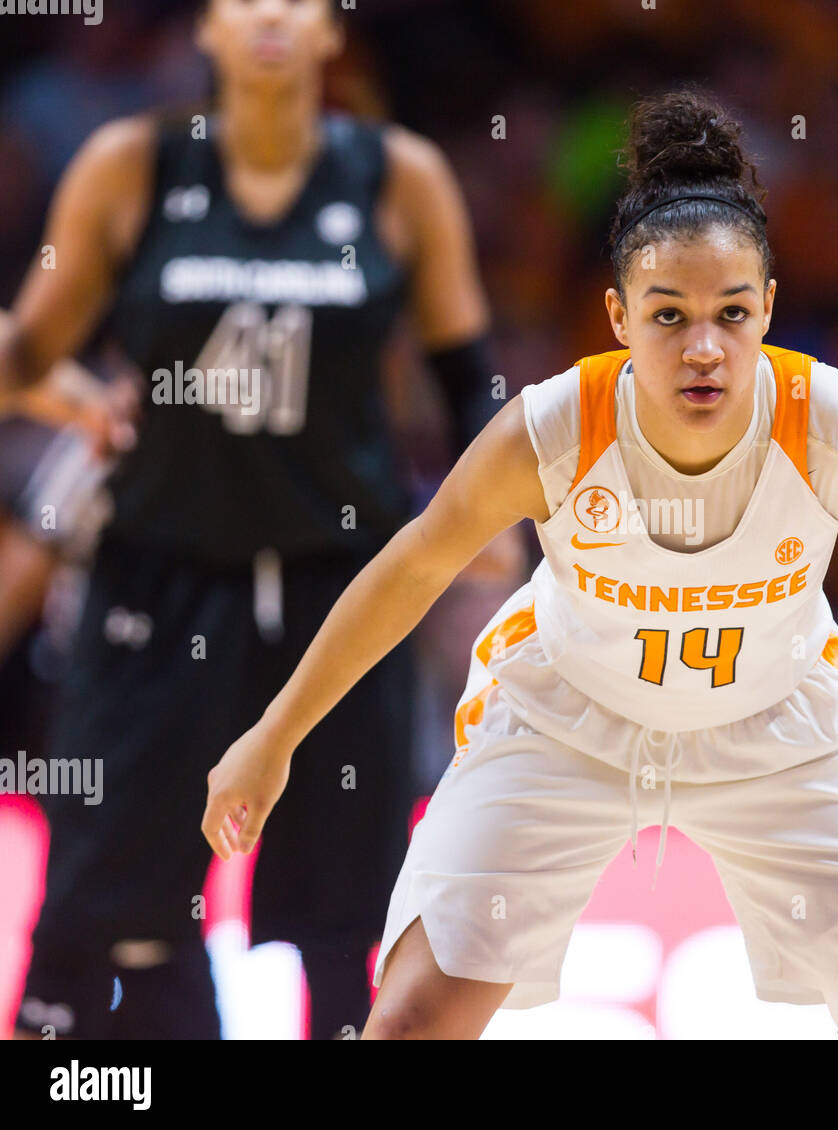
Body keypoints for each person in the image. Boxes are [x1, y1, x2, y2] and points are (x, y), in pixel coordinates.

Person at [204, 87, 838, 1041]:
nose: (704, 347)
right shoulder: (555, 425)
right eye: (669, 315)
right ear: (616, 316)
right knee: (403, 1028)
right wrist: (271, 737)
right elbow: (412, 566)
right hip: (568, 721)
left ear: (768, 307)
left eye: (732, 313)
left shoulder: (834, 419)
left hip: (778, 723)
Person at [0, 0, 497, 1039]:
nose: (270, 12)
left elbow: (470, 387)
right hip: (159, 579)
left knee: (347, 917)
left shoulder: (398, 177)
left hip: (340, 589)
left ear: (330, 32)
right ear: (208, 30)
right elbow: (29, 353)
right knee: (105, 906)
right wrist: (74, 400)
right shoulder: (132, 166)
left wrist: (507, 537)